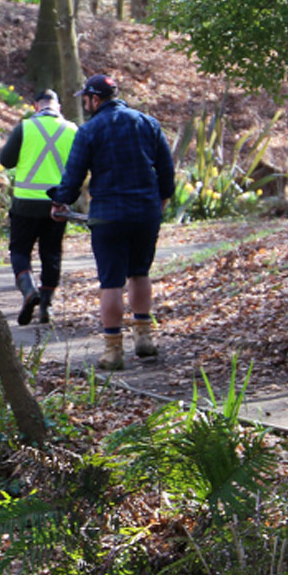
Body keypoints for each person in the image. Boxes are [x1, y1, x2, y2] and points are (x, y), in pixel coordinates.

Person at [47, 74, 175, 371]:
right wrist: (162, 199)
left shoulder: (89, 131)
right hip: (145, 213)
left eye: (86, 99)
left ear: (95, 99)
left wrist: (60, 201)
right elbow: (166, 170)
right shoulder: (147, 123)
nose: (85, 104)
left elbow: (74, 175)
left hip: (108, 215)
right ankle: (144, 339)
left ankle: (113, 351)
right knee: (140, 273)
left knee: (111, 282)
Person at [0, 89, 78, 325]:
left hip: (25, 202)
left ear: (36, 106)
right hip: (57, 203)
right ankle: (45, 306)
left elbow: (5, 161)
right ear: (58, 107)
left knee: (20, 251)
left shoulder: (25, 128)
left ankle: (28, 290)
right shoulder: (72, 130)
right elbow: (81, 165)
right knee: (51, 253)